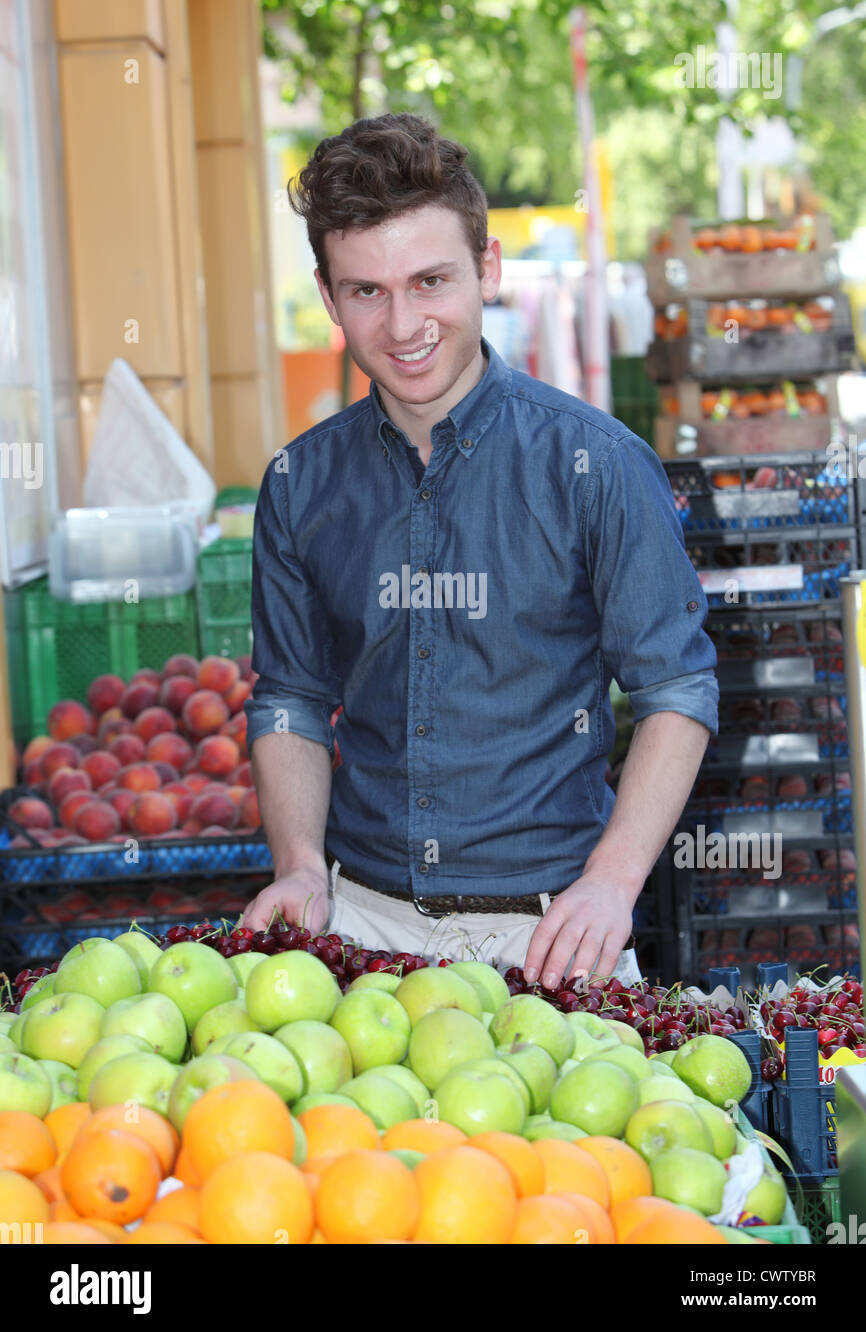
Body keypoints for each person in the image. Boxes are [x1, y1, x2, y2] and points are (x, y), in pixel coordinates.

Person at [242, 111, 718, 991]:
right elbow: (291, 700)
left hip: (555, 932)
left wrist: (613, 884)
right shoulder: (299, 484)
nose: (403, 324)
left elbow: (677, 691)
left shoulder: (598, 465)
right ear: (328, 295)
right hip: (358, 934)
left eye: (430, 281)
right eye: (366, 291)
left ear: (487, 268)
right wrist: (301, 866)